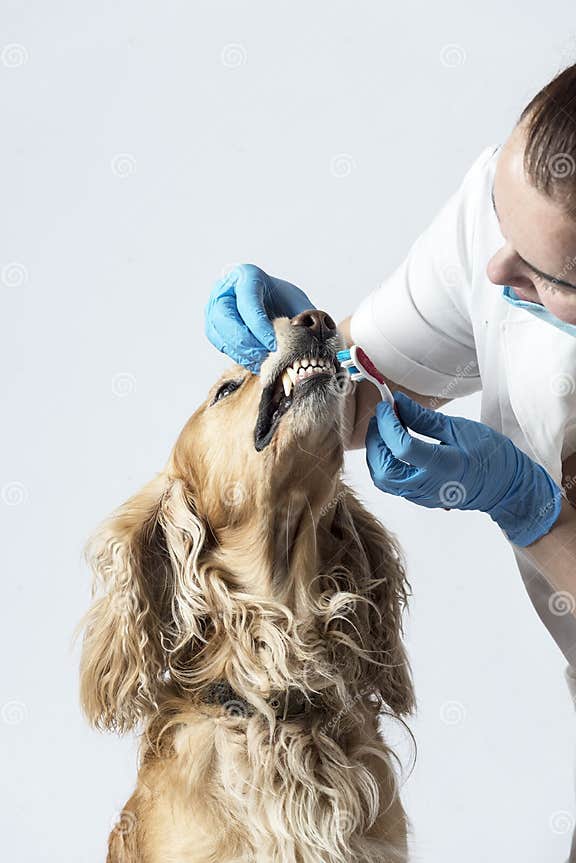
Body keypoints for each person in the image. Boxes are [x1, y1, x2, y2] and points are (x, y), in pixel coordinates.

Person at [204, 63, 576, 859]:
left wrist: (533, 511)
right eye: (499, 222)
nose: (495, 269)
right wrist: (306, 360)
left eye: (543, 275)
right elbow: (362, 387)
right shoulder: (515, 214)